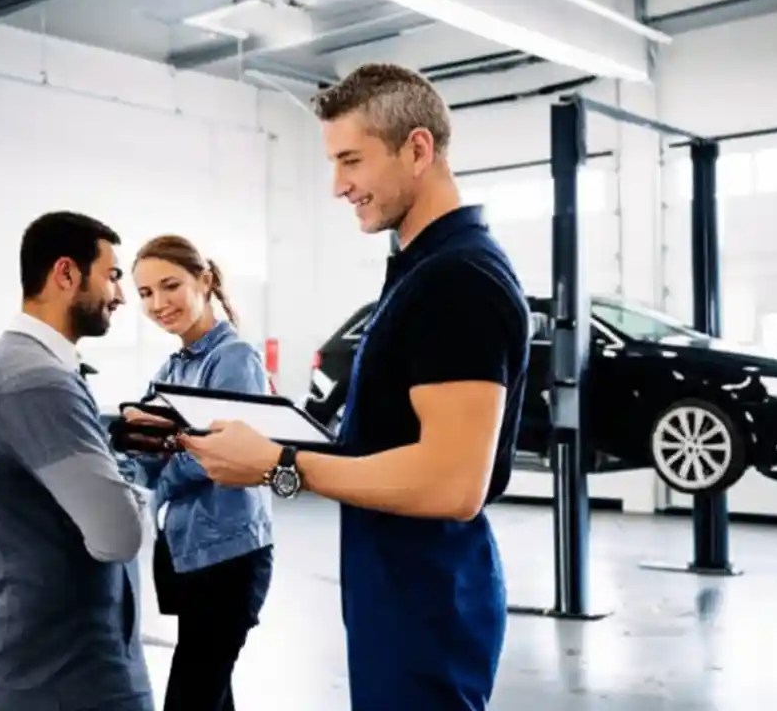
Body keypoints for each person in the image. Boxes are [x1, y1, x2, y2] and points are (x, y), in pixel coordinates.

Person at [179, 63, 531, 710]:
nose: (339, 186)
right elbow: (388, 443)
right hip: (397, 588)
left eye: (351, 161)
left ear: (418, 149)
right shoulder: (422, 269)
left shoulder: (457, 279)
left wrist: (278, 467)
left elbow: (454, 483)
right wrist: (272, 453)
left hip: (428, 598)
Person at [0, 211, 155, 711]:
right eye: (111, 276)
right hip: (67, 678)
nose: (121, 296)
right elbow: (118, 535)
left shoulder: (28, 369)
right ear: (66, 274)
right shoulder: (35, 381)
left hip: (64, 666)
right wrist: (131, 480)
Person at [117, 235, 274, 711]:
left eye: (170, 286)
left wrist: (159, 481)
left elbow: (220, 456)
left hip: (230, 554)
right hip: (187, 552)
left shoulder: (234, 358)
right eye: (145, 294)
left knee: (191, 695)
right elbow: (147, 448)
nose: (158, 304)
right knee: (210, 692)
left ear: (204, 281)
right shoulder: (171, 367)